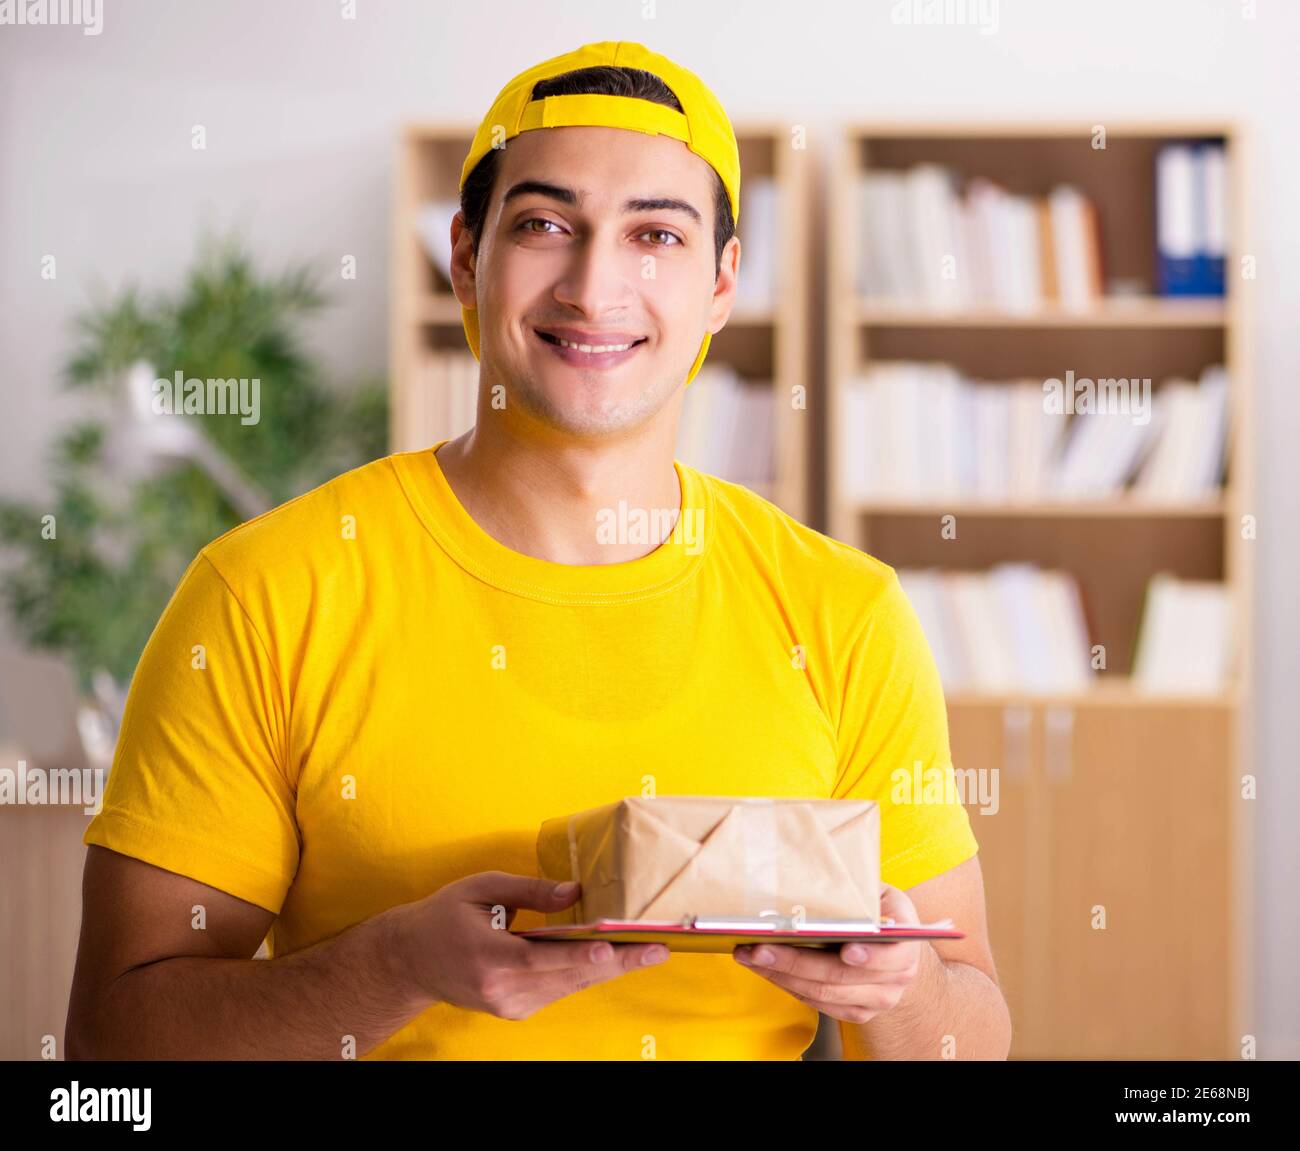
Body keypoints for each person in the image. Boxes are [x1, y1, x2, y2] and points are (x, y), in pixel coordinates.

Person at [66, 40, 1010, 1061]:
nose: (594, 284)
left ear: (723, 284)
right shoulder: (265, 592)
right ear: (466, 259)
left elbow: (975, 1032)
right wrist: (392, 967)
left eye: (655, 233)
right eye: (545, 225)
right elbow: (113, 1046)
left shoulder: (844, 613)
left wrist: (899, 987)